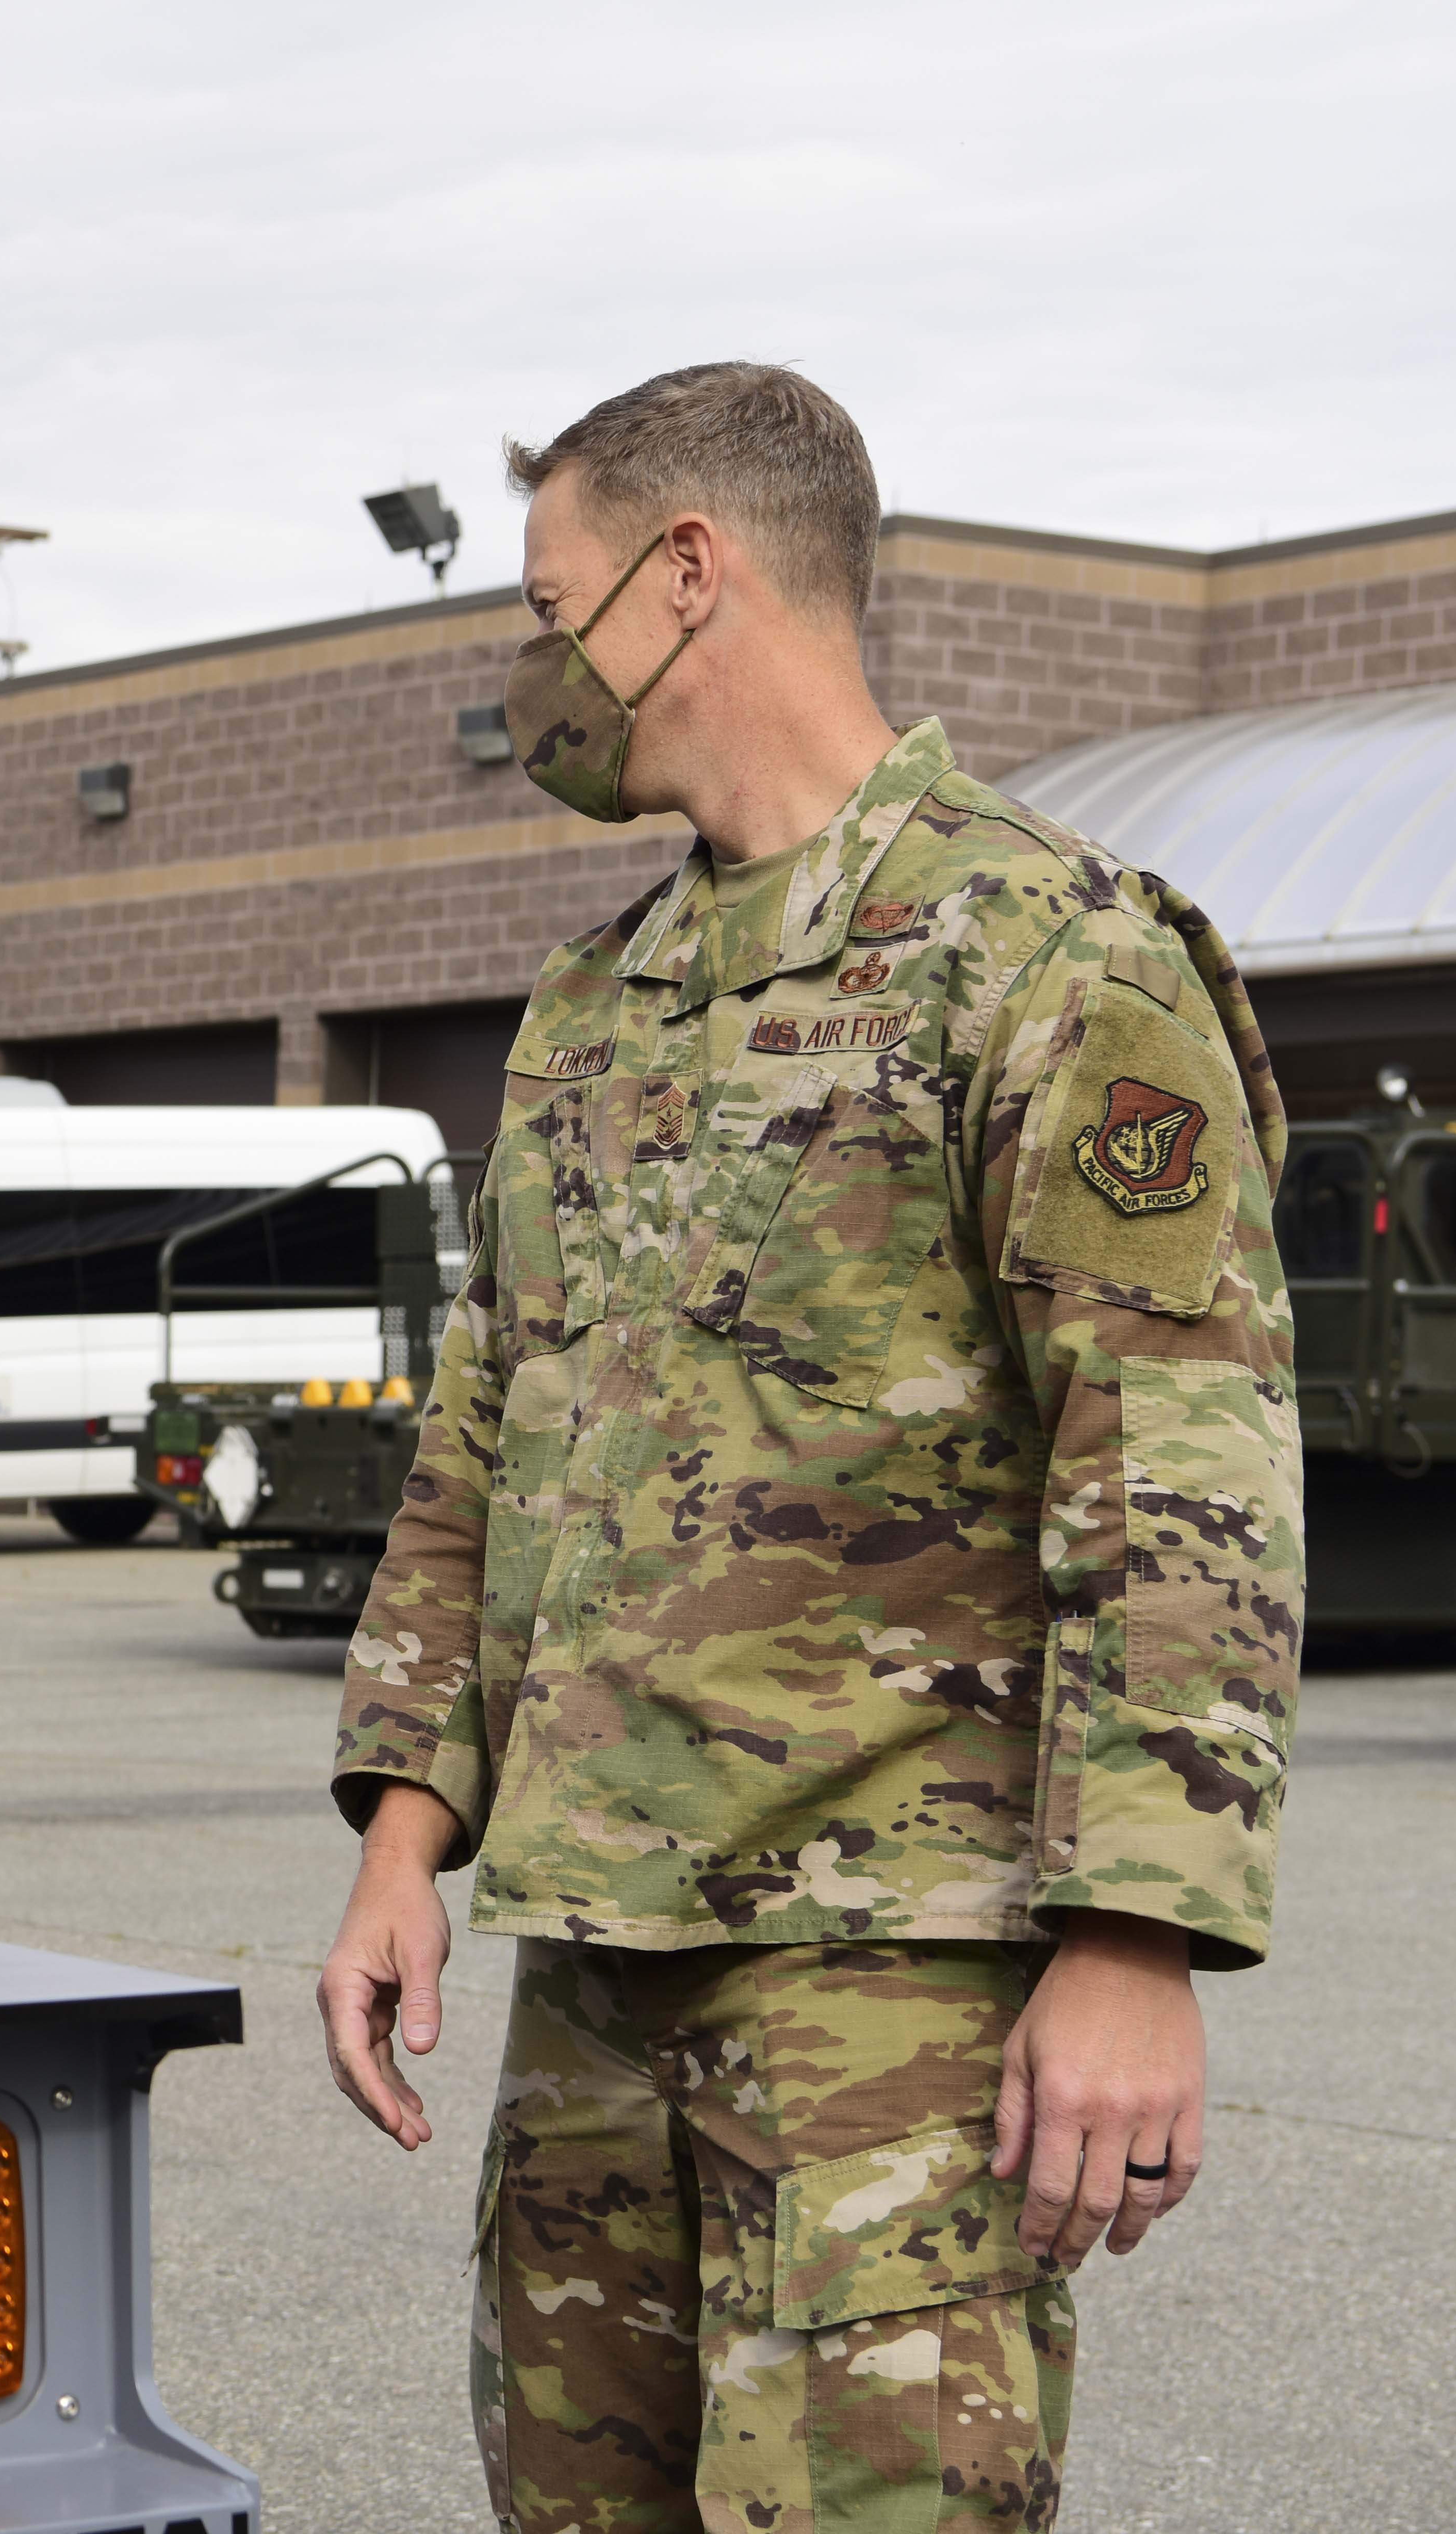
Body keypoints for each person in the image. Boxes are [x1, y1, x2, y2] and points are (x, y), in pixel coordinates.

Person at [315, 365, 1296, 2531]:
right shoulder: (594, 1007)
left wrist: (1137, 1939)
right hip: (592, 1983)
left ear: (690, 574)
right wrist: (403, 1829)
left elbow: (1178, 1477)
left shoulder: (1045, 957)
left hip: (892, 2005)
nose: (533, 671)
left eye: (549, 607)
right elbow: (482, 1440)